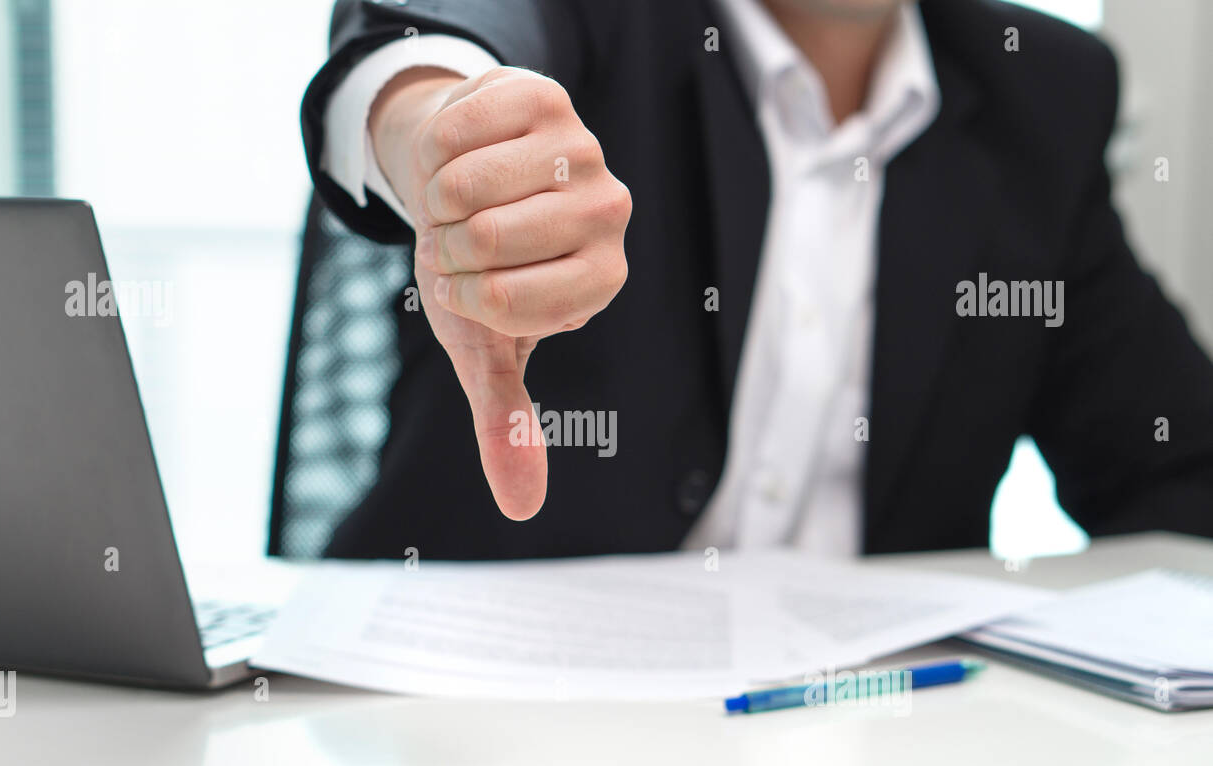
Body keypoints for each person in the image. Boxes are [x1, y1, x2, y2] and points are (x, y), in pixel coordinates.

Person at [300, 0, 1213, 560]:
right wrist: (440, 133)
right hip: (483, 727)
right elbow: (425, 38)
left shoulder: (1043, 91)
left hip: (868, 762)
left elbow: (1173, 469)